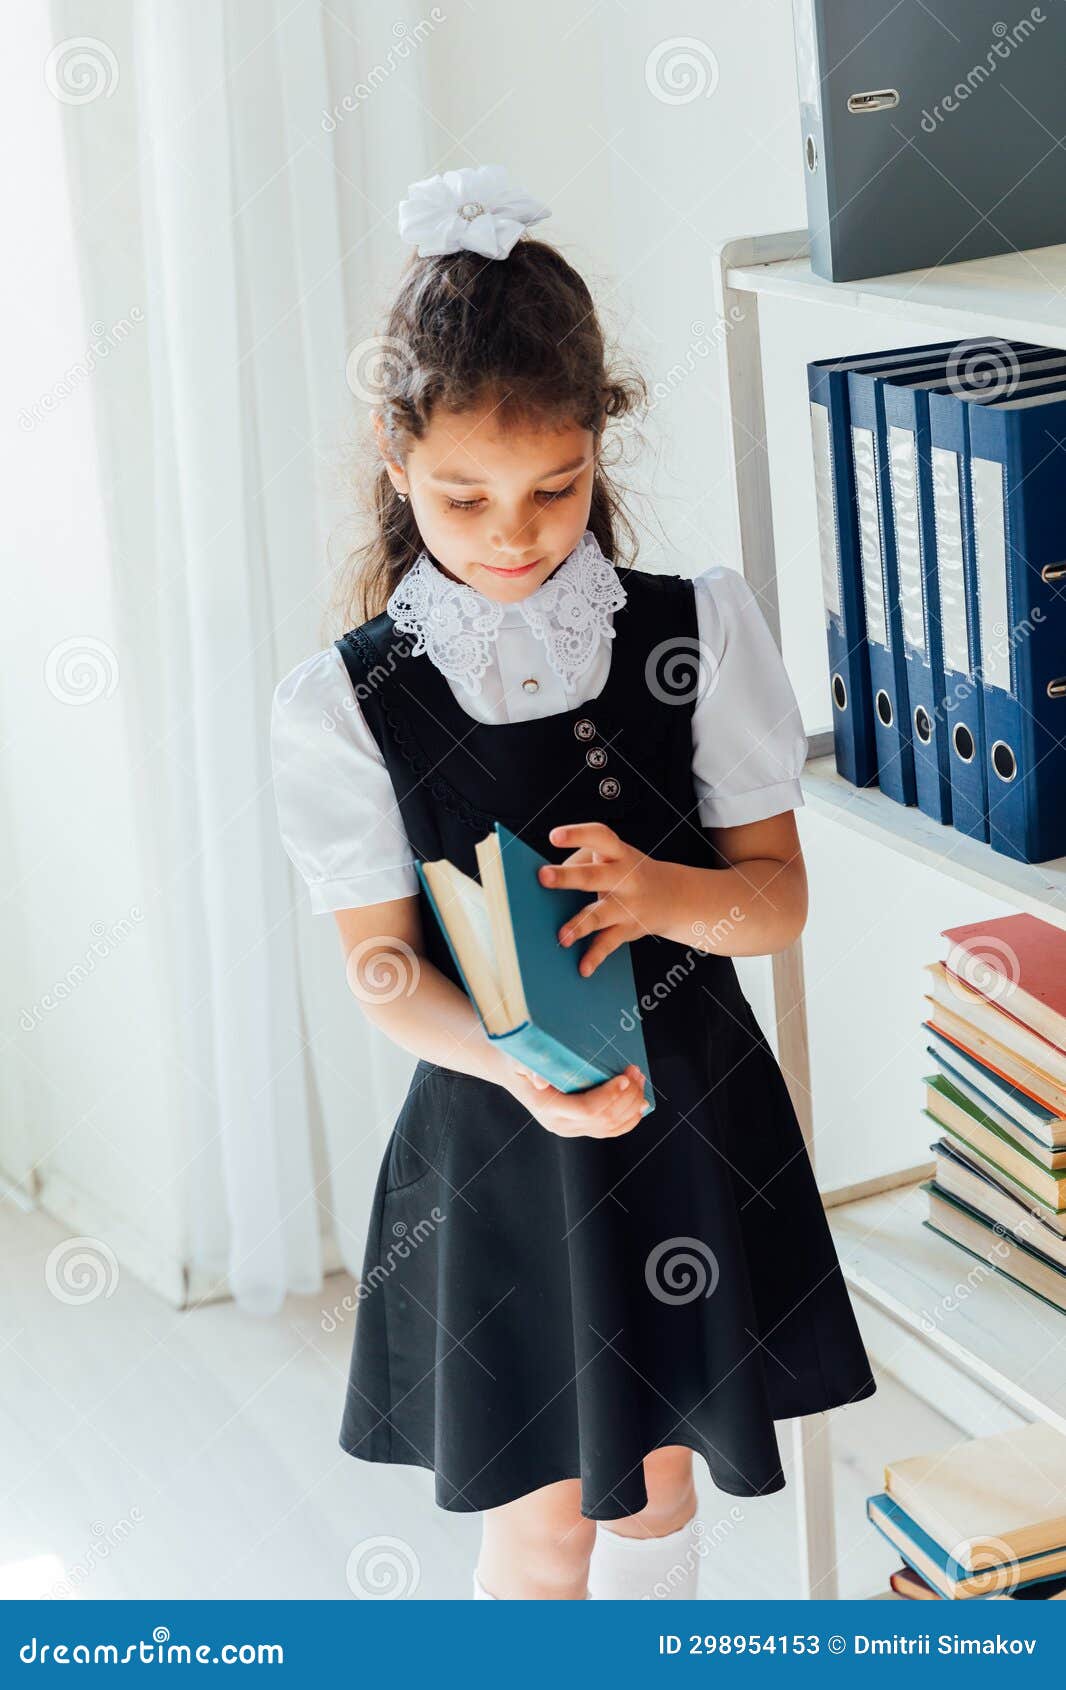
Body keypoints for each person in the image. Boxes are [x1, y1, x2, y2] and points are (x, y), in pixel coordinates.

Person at [271, 164, 876, 1601]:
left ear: (601, 441)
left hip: (686, 1117)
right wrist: (512, 1067)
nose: (514, 531)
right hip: (500, 1138)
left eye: (556, 486)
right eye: (464, 495)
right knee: (541, 1515)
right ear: (395, 455)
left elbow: (777, 902)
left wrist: (665, 894)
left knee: (659, 1489)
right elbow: (380, 972)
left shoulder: (692, 631)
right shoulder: (346, 700)